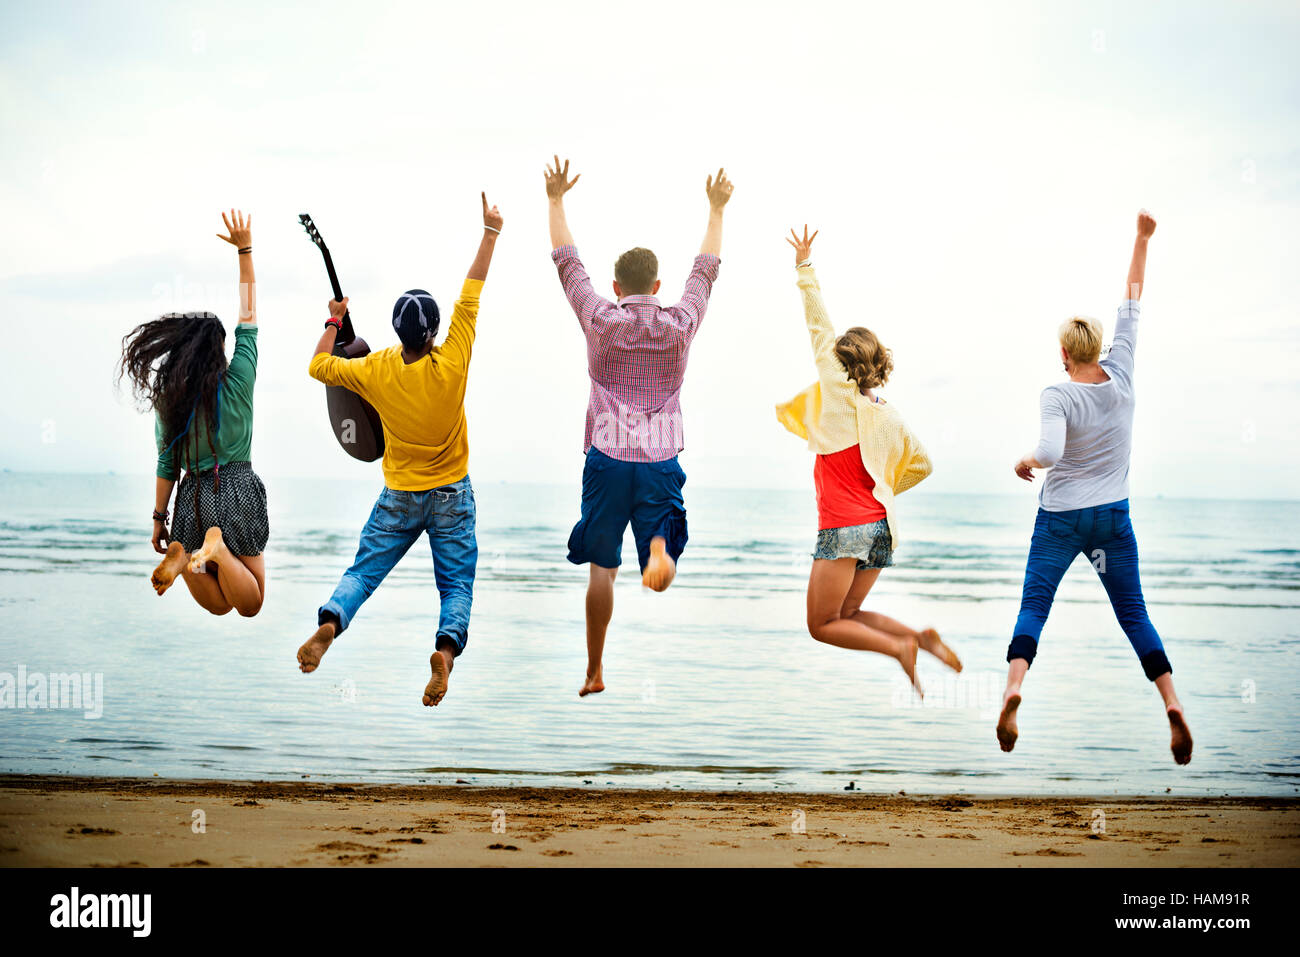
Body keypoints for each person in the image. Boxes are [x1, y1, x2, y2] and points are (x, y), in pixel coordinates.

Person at [999, 209, 1192, 765]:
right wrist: (1142, 238)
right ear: (1099, 345)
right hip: (1112, 518)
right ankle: (1171, 703)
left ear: (1063, 353)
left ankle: (1014, 689)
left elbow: (1052, 453)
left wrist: (1025, 460)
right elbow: (1132, 299)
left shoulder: (1056, 394)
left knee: (1035, 605)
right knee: (1133, 612)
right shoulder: (1123, 369)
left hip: (1060, 518)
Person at [296, 192, 503, 708]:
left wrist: (333, 322)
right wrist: (490, 232)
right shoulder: (453, 359)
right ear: (435, 333)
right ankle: (444, 654)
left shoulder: (377, 369)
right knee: (456, 585)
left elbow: (319, 367)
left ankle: (329, 624)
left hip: (399, 495)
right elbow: (471, 293)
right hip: (451, 493)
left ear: (396, 332)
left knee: (363, 572)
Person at [545, 156, 731, 697]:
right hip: (658, 461)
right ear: (655, 283)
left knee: (601, 569)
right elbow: (706, 270)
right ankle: (658, 552)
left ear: (616, 286)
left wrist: (556, 200)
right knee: (661, 544)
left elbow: (566, 264)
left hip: (606, 459)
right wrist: (716, 209)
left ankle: (595, 670)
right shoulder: (678, 325)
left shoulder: (601, 319)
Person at [776, 226, 959, 694]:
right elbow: (922, 465)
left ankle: (899, 648)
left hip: (844, 528)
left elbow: (818, 325)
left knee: (822, 625)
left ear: (842, 364)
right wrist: (882, 485)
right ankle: (918, 636)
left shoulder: (838, 395)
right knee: (849, 615)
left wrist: (804, 266)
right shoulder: (889, 417)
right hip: (881, 529)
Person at [119, 209, 268, 617]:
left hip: (191, 499)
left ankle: (185, 557)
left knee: (219, 607)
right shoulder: (239, 379)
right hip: (235, 486)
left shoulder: (172, 399)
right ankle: (214, 549)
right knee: (250, 602)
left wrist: (158, 519)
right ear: (219, 350)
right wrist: (245, 250)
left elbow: (167, 461)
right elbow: (249, 312)